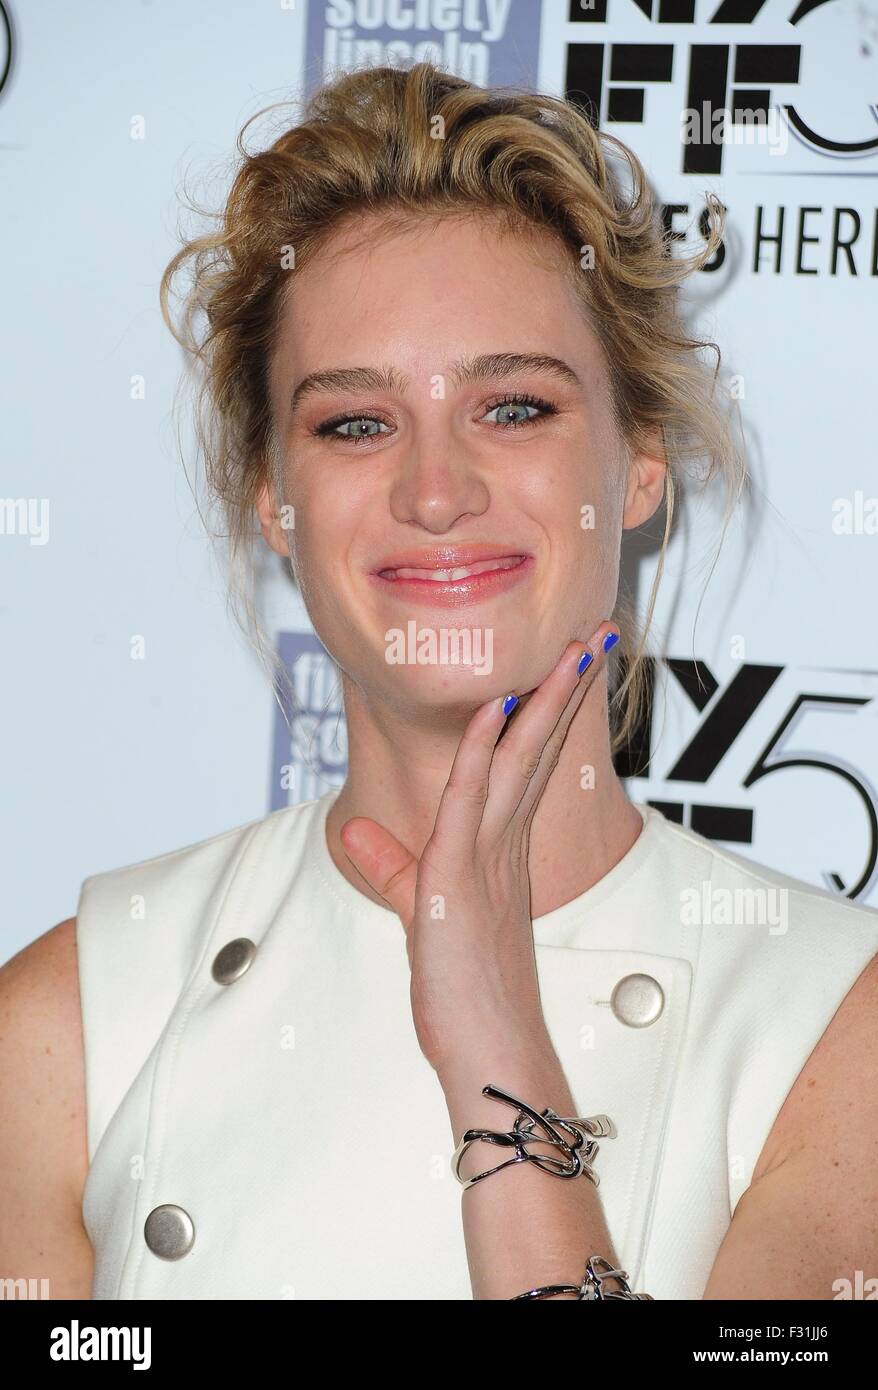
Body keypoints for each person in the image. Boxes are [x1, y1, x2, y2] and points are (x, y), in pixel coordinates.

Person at [2, 62, 876, 1302]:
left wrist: (494, 1040)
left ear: (636, 461)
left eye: (511, 406)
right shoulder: (74, 1015)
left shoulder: (836, 1024)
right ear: (273, 499)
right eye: (354, 424)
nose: (433, 491)